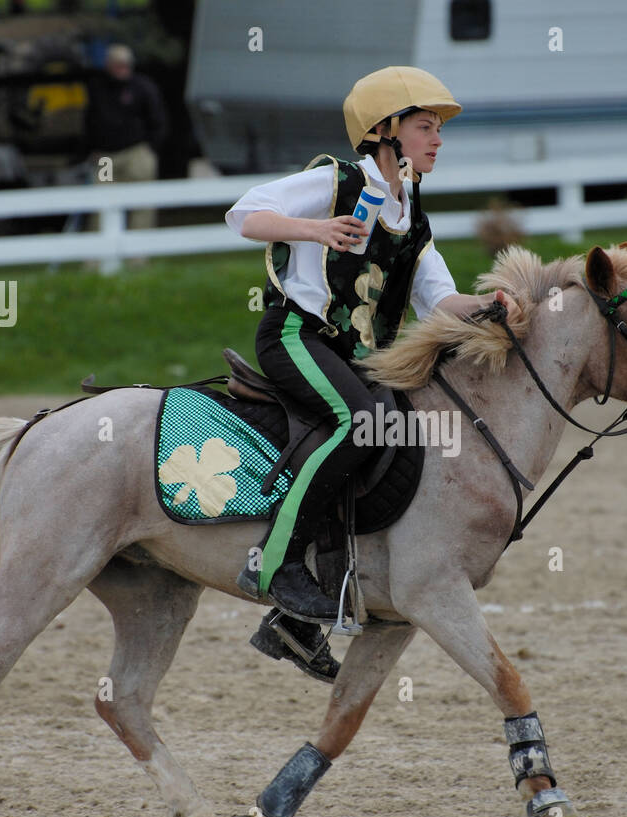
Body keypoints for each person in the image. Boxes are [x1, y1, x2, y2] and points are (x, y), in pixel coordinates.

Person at [223, 66, 521, 678]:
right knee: (361, 422)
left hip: (357, 356)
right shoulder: (338, 180)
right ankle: (272, 564)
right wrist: (315, 229)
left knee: (402, 432)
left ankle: (301, 621)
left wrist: (495, 304)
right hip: (295, 336)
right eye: (424, 126)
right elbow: (243, 214)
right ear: (385, 131)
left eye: (438, 129)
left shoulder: (412, 210)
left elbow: (441, 301)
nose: (437, 140)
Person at [84, 44, 167, 235]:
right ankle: (97, 258)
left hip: (136, 153)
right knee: (101, 204)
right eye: (117, 64)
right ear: (108, 65)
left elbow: (158, 121)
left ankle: (138, 258)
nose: (121, 69)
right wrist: (91, 149)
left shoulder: (143, 87)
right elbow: (91, 122)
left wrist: (150, 149)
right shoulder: (98, 88)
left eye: (125, 64)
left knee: (142, 204)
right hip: (106, 157)